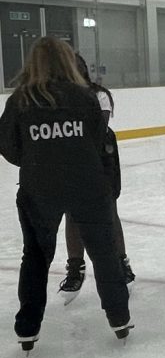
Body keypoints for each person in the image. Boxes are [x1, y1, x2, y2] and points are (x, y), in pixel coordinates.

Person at [0, 37, 131, 348]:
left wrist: (36, 160)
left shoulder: (21, 99)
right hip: (87, 186)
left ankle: (28, 327)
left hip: (39, 190)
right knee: (104, 253)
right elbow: (99, 139)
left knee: (35, 256)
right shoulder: (84, 97)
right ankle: (119, 318)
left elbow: (7, 145)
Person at [57, 54, 134, 301]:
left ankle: (121, 262)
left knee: (109, 211)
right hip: (71, 162)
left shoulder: (99, 95)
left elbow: (97, 130)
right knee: (72, 214)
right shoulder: (57, 97)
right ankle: (76, 266)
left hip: (101, 161)